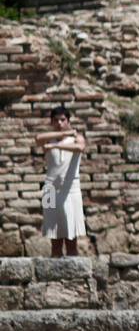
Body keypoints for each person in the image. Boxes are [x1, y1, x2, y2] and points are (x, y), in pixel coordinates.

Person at [35, 105, 87, 257]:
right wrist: (62, 134)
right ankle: (54, 276)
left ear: (68, 121)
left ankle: (74, 276)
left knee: (71, 237)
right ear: (51, 122)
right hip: (50, 190)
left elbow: (80, 148)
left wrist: (57, 145)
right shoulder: (47, 139)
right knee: (54, 235)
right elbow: (38, 138)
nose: (59, 123)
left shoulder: (76, 138)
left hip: (70, 189)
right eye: (56, 120)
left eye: (63, 120)